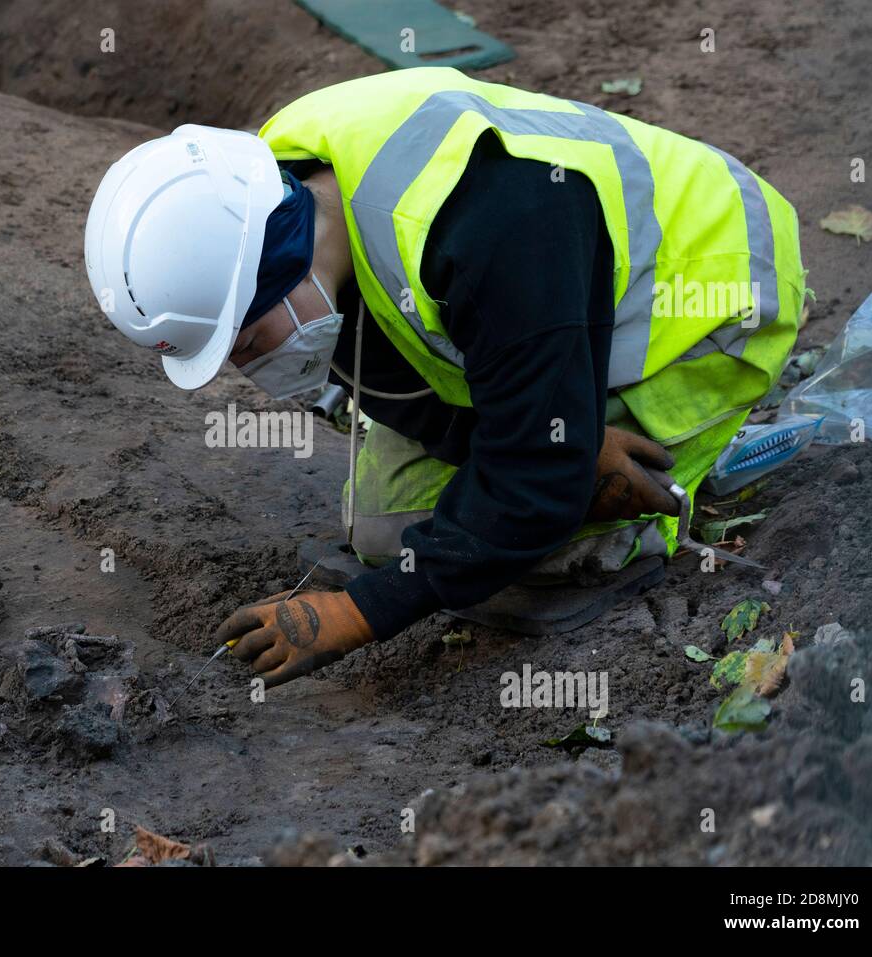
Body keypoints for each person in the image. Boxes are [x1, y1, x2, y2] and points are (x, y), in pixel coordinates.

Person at [84, 68, 803, 688]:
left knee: (540, 512)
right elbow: (396, 377)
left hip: (705, 292)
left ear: (279, 270)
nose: (252, 368)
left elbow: (530, 484)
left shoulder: (486, 231)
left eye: (250, 341)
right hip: (546, 302)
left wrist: (364, 612)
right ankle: (563, 436)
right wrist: (531, 442)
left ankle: (635, 527)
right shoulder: (279, 192)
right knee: (383, 525)